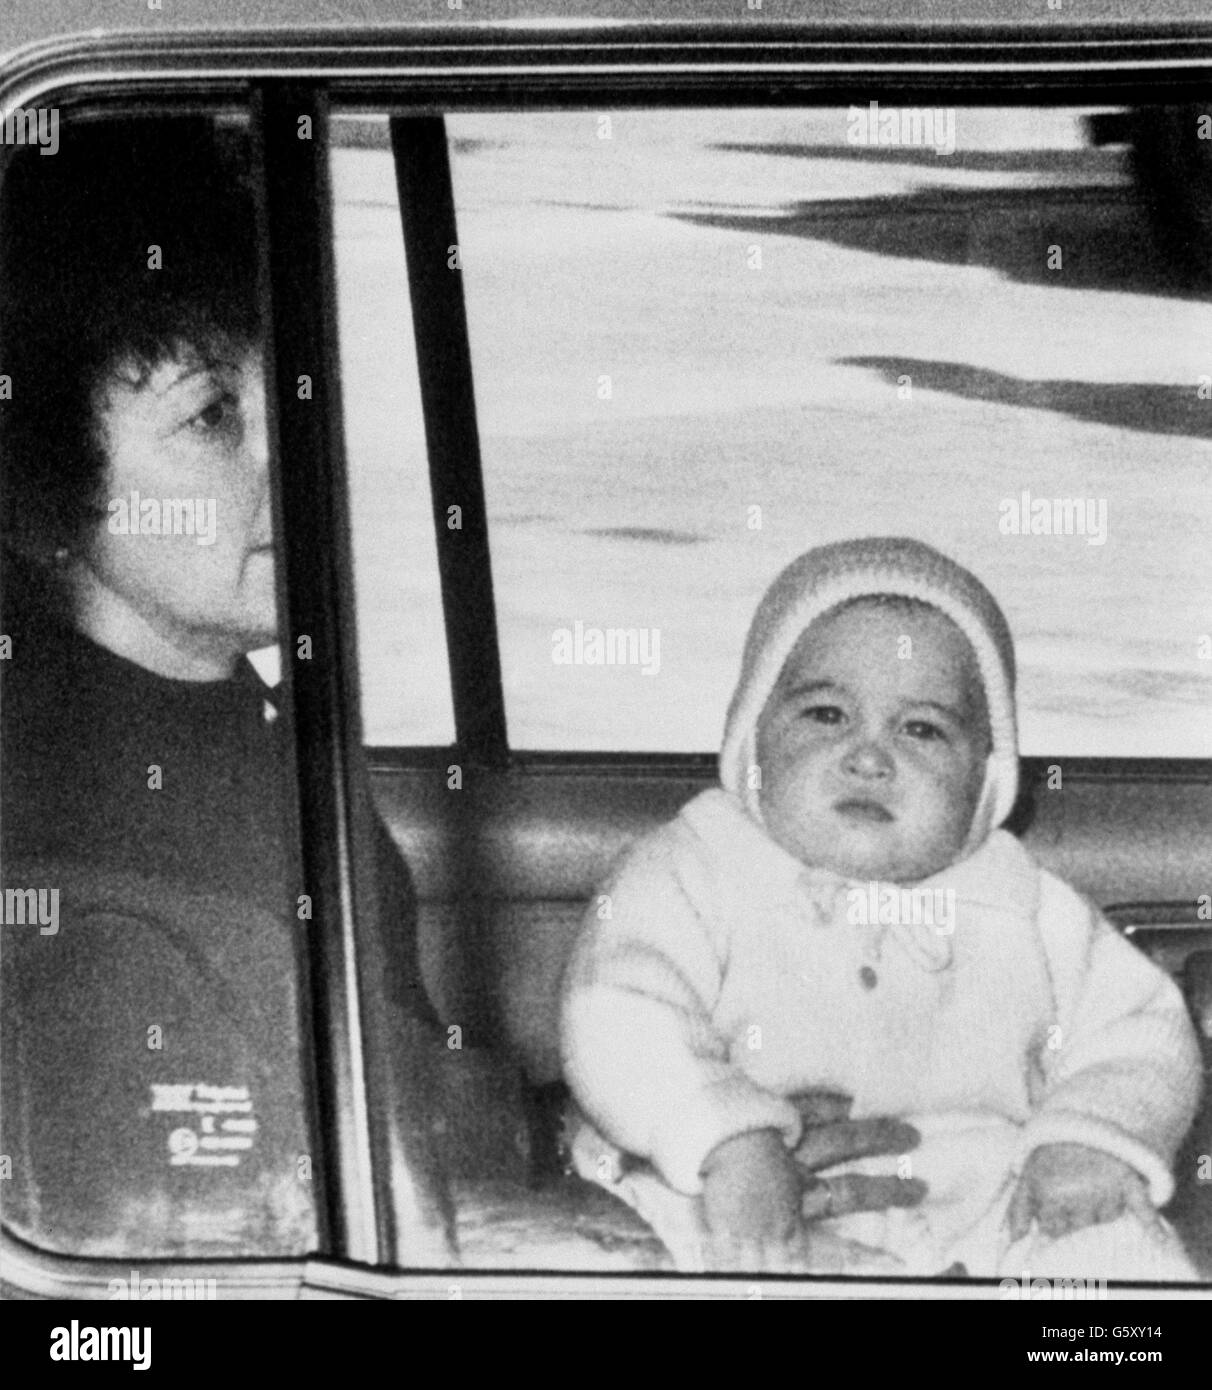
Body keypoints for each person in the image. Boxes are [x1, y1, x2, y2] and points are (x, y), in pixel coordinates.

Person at [0, 116, 450, 1259]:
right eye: (213, 417)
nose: (292, 458)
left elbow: (402, 1106)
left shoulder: (280, 747)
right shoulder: (41, 807)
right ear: (44, 461)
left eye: (291, 396)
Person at [560, 536, 1202, 1277]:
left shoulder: (1023, 903)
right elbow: (618, 1006)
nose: (871, 756)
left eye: (922, 729)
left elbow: (1136, 1031)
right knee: (653, 1251)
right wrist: (724, 1138)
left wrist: (1087, 1139)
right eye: (826, 714)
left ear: (986, 786)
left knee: (1116, 1251)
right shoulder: (696, 864)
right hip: (743, 1197)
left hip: (991, 1210)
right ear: (750, 744)